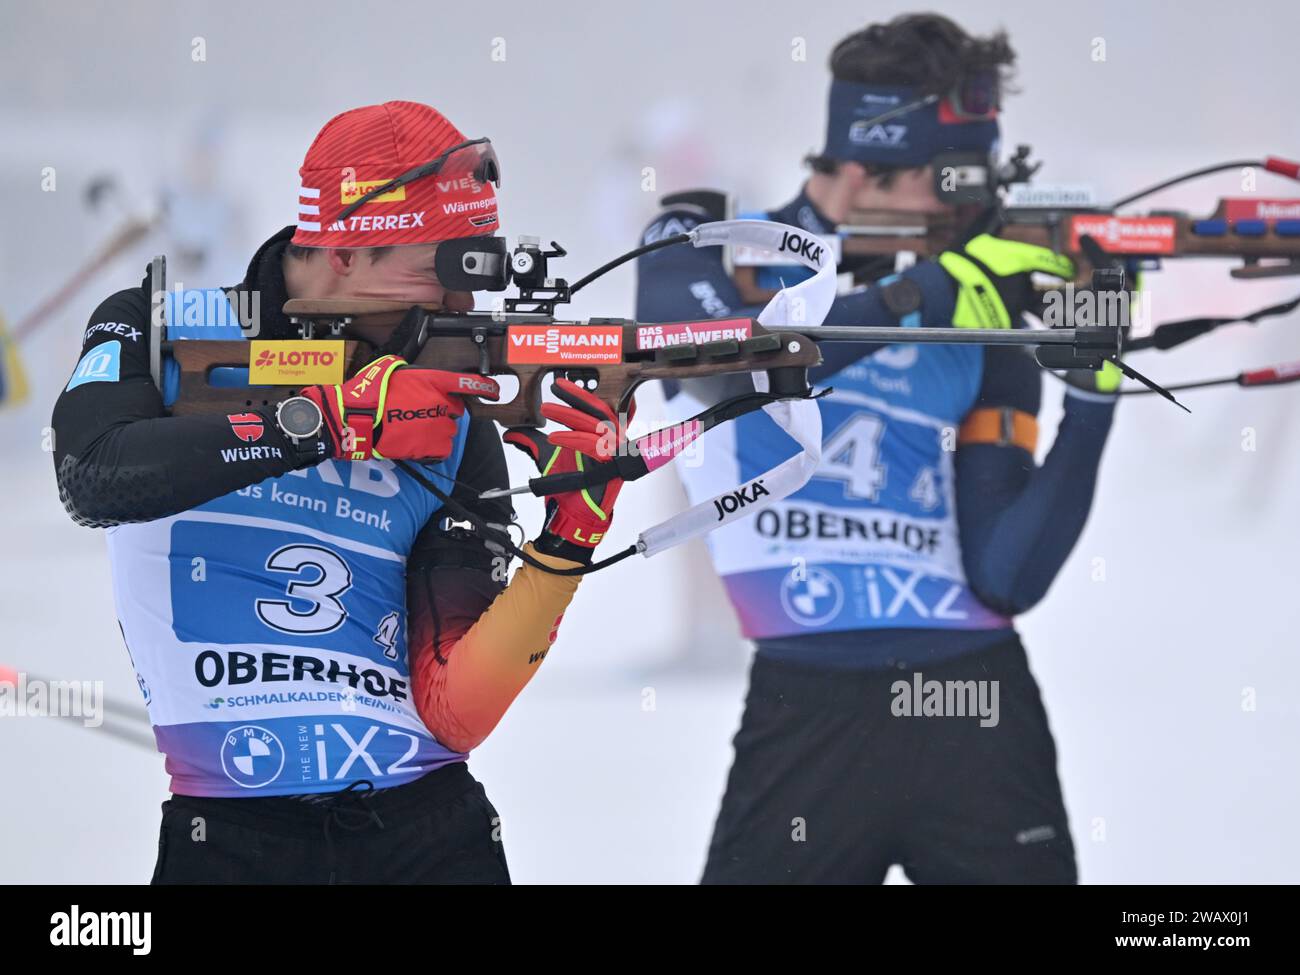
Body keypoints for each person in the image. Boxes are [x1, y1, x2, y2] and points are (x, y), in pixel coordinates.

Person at [51, 100, 631, 884]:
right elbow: (93, 471)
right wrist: (324, 421)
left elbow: (455, 710)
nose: (458, 307)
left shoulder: (456, 411)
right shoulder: (159, 330)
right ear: (345, 252)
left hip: (430, 835)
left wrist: (565, 541)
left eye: (474, 273)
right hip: (227, 839)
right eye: (437, 271)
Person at [636, 15, 1121, 884]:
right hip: (803, 703)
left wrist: (1093, 387)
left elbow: (1007, 575)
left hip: (974, 700)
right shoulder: (701, 239)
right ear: (869, 167)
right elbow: (721, 363)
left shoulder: (983, 297)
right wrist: (921, 290)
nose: (975, 211)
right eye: (957, 183)